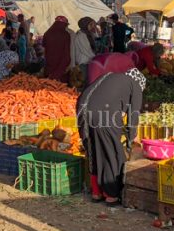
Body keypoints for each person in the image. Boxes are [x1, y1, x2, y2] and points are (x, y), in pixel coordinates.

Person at [76, 67, 146, 205]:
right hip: (105, 115)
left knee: (93, 150)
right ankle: (110, 194)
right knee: (112, 153)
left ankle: (96, 192)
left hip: (82, 111)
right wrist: (130, 140)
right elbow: (134, 115)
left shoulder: (110, 76)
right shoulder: (135, 85)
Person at [42, 15, 73, 82]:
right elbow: (67, 56)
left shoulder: (47, 33)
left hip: (49, 68)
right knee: (59, 87)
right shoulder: (65, 35)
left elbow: (44, 50)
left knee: (47, 86)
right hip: (61, 70)